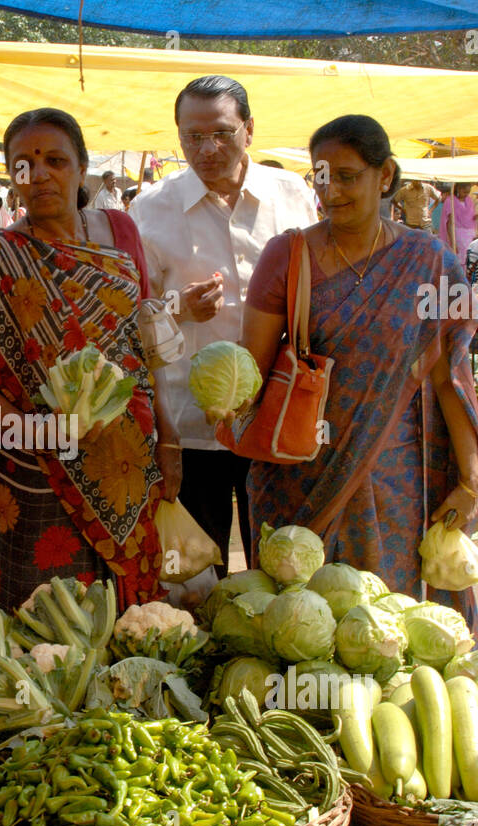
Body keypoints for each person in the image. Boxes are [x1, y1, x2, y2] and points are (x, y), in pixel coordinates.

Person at [240, 114, 478, 629]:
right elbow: (251, 378)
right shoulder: (288, 255)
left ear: (386, 175)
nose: (330, 191)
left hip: (394, 477)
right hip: (299, 475)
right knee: (298, 626)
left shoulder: (429, 262)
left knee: (385, 628)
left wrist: (469, 480)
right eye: (321, 176)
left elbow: (449, 379)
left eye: (347, 176)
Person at [0, 108, 179, 611]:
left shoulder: (120, 233)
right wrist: (43, 435)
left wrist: (170, 438)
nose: (41, 174)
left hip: (127, 463)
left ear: (82, 169)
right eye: (24, 165)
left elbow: (144, 346)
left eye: (56, 160)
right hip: (35, 475)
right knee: (48, 626)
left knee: (128, 624)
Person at [130, 75, 317, 570]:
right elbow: (131, 316)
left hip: (275, 417)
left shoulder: (292, 194)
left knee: (279, 566)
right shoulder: (151, 209)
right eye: (192, 137)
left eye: (221, 133)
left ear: (249, 129)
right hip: (191, 426)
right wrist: (177, 307)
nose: (206, 149)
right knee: (197, 571)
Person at [439, 181, 477, 256]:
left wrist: (476, 217)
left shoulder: (469, 200)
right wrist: (453, 243)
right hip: (457, 234)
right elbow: (449, 224)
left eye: (468, 192)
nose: (466, 194)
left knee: (470, 258)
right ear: (458, 189)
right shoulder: (450, 201)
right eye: (464, 192)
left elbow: (471, 218)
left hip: (470, 234)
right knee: (459, 258)